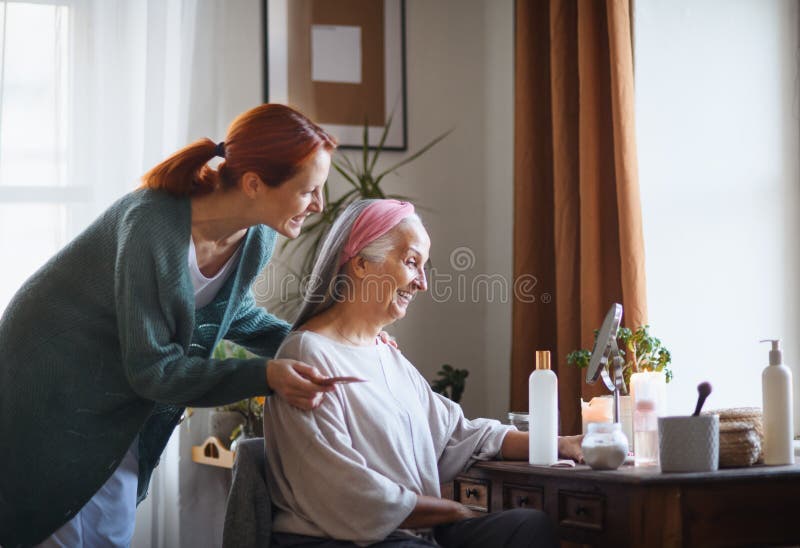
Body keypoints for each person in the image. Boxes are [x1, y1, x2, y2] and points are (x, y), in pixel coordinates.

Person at [0, 104, 342, 547]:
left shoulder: (258, 234)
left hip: (116, 394)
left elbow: (235, 314)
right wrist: (267, 375)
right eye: (308, 190)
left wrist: (330, 344)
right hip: (48, 385)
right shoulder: (151, 224)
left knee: (107, 532)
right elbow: (154, 371)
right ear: (255, 184)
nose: (318, 205)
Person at [263, 199, 584, 548]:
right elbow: (343, 491)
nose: (423, 283)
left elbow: (458, 436)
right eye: (412, 262)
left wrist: (559, 444)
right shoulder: (307, 354)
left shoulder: (387, 355)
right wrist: (452, 510)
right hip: (344, 540)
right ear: (361, 264)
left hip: (408, 534)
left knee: (528, 526)